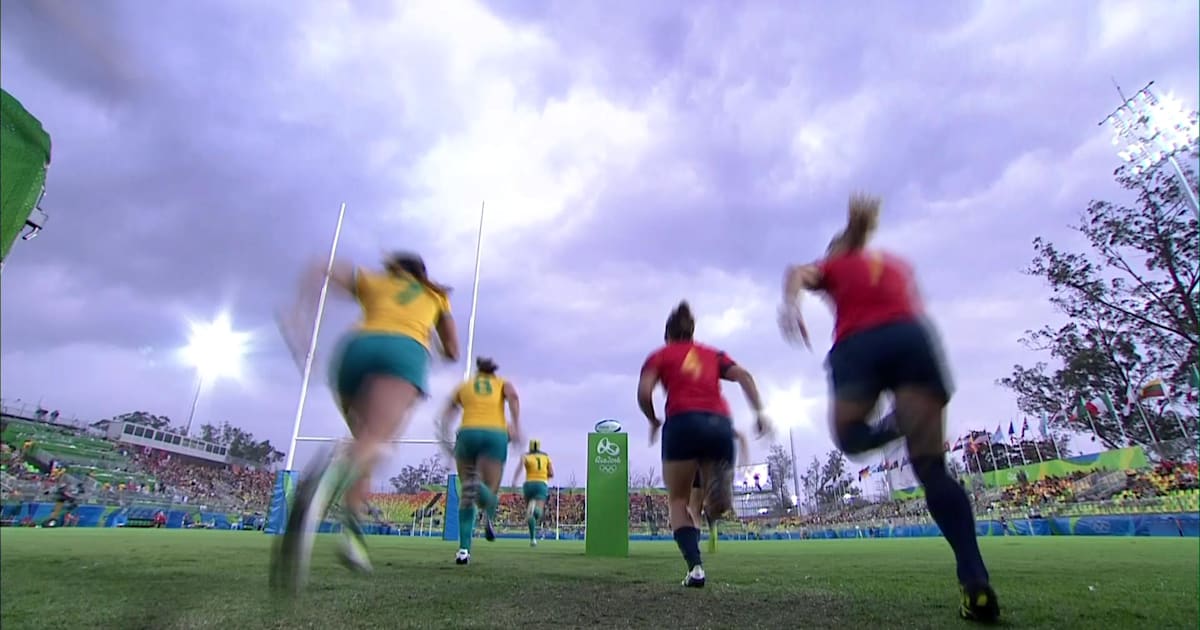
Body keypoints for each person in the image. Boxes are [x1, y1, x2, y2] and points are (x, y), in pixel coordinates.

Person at [777, 193, 999, 623]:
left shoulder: (835, 265)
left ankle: (896, 426)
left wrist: (790, 305)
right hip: (915, 339)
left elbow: (797, 273)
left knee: (850, 437)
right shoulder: (897, 265)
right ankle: (974, 579)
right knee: (932, 468)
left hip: (862, 345)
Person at [272, 251, 459, 594]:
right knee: (377, 444)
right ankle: (328, 478)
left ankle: (352, 539)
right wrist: (434, 341)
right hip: (404, 352)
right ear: (422, 272)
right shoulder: (435, 294)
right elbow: (453, 350)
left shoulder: (376, 280)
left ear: (394, 268)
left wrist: (300, 316)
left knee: (362, 444)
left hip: (354, 349)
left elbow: (320, 265)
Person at [638, 301, 770, 588]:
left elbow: (644, 391)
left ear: (667, 335)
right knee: (712, 499)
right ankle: (716, 505)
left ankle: (695, 566)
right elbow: (744, 376)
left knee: (678, 500)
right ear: (692, 332)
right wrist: (759, 412)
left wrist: (652, 419)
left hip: (682, 424)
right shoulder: (712, 354)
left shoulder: (660, 356)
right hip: (719, 425)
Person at [439, 356, 521, 565]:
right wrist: (516, 426)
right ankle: (488, 513)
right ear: (493, 371)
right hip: (495, 435)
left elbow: (446, 415)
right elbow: (513, 397)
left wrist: (445, 437)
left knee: (467, 494)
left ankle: (464, 550)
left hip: (467, 434)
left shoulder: (464, 386)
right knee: (489, 492)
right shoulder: (503, 383)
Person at [688, 430, 749, 554]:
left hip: (702, 464)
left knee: (695, 508)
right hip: (719, 467)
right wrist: (744, 459)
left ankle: (694, 544)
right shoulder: (719, 426)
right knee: (708, 501)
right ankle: (712, 526)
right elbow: (741, 436)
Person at [510, 438, 554, 547]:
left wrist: (515, 481)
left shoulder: (525, 456)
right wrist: (545, 478)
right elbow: (551, 473)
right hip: (541, 484)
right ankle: (536, 510)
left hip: (529, 484)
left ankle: (532, 538)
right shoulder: (546, 457)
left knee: (529, 514)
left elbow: (519, 469)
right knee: (538, 512)